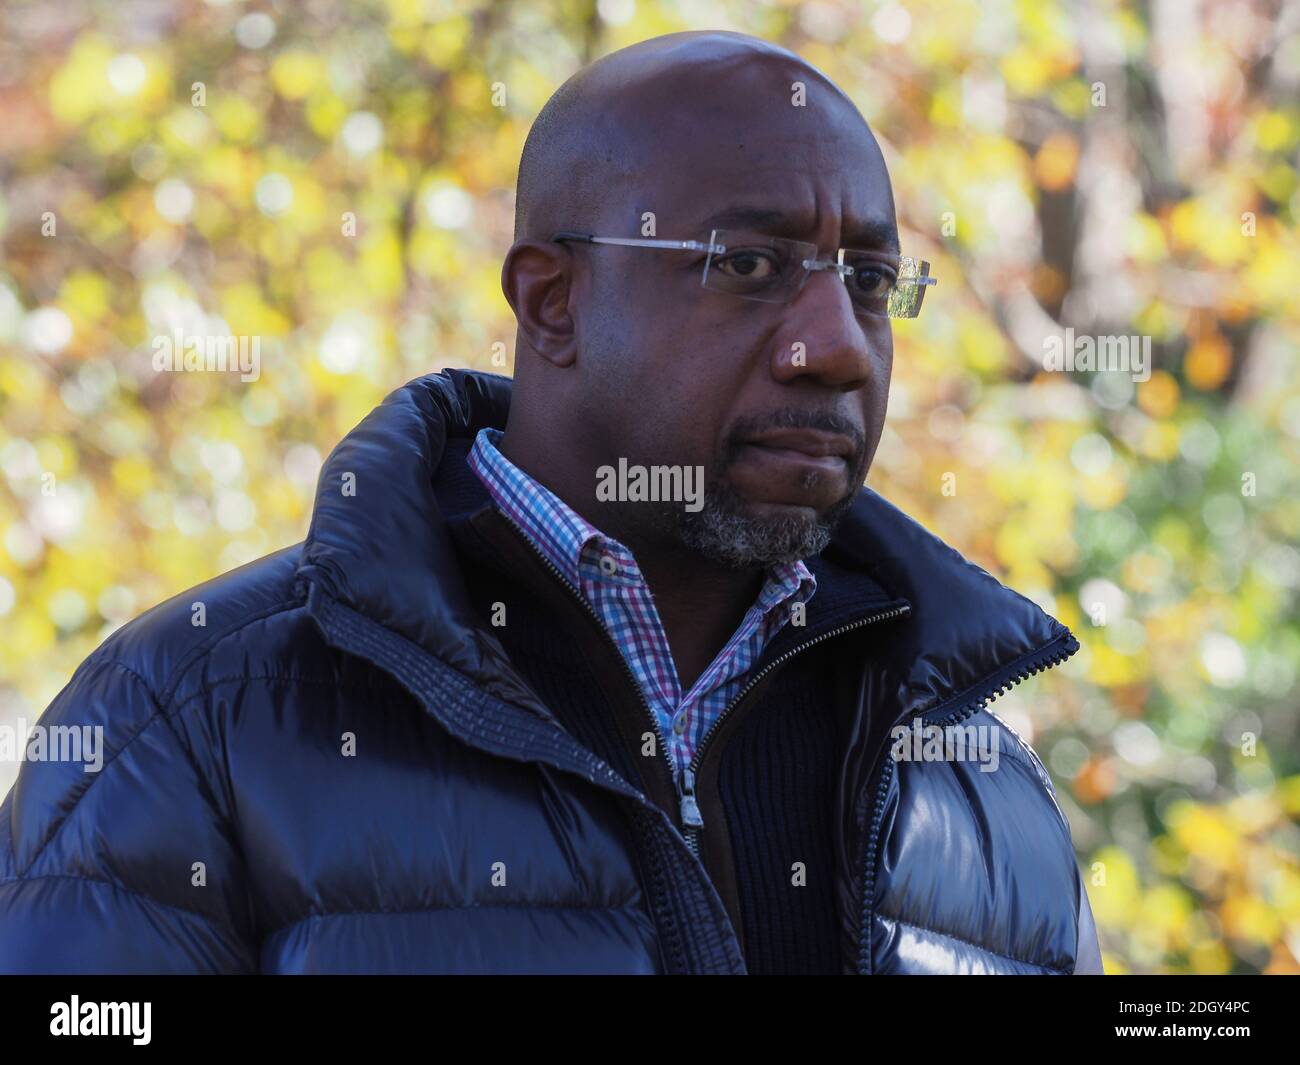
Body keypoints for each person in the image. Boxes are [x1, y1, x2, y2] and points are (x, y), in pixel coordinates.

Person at [0, 30, 1103, 974]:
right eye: (750, 267)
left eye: (867, 281)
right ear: (552, 301)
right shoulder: (194, 715)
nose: (834, 350)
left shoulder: (975, 783)